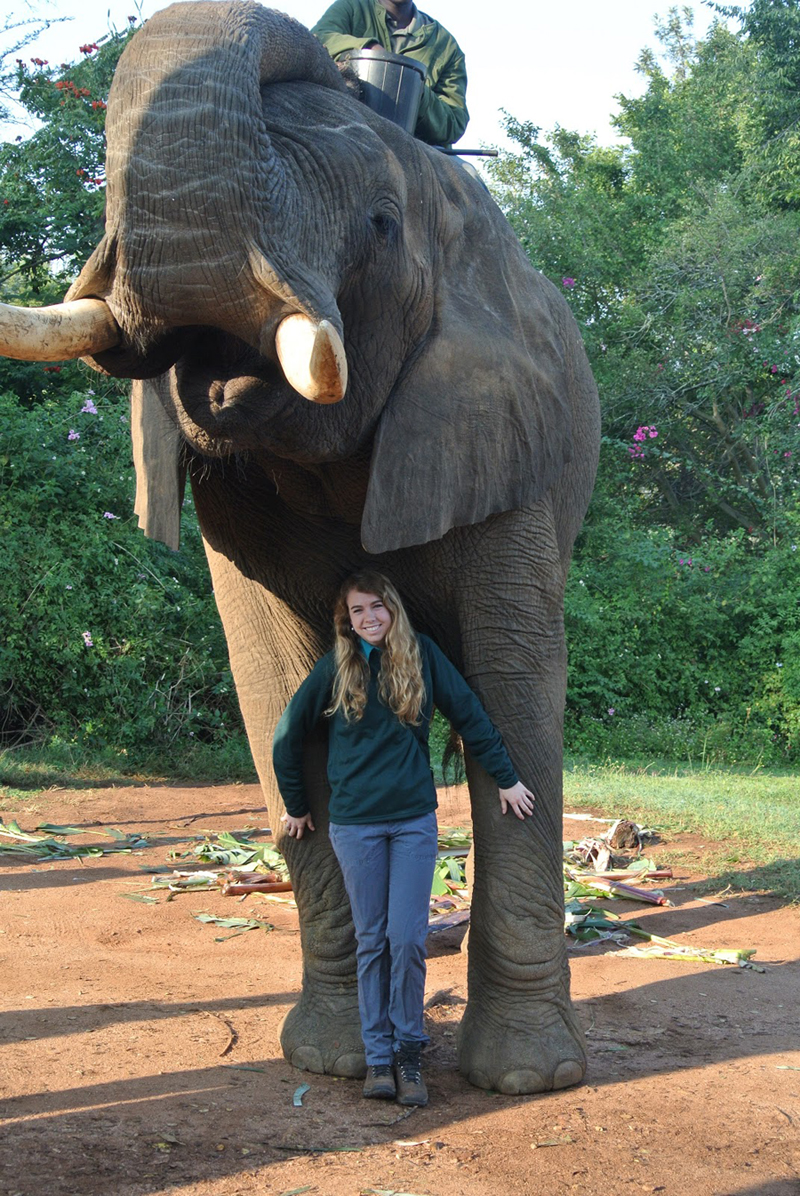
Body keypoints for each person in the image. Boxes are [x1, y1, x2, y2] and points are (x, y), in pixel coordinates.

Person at [272, 569, 535, 1107]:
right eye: (356, 612)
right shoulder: (337, 668)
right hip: (355, 827)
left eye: (375, 607)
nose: (368, 619)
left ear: (392, 608)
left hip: (414, 821)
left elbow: (471, 717)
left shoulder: (423, 656)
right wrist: (296, 806)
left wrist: (507, 778)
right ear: (346, 621)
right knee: (370, 941)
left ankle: (410, 1055)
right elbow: (287, 735)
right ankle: (378, 1060)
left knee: (408, 938)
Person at [311, 0, 469, 148]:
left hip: (417, 149)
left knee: (469, 173)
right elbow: (317, 38)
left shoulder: (447, 46)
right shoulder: (352, 7)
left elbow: (455, 123)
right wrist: (367, 47)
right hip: (344, 131)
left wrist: (415, 91)